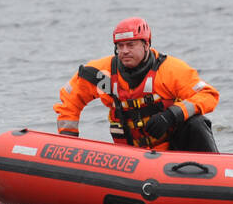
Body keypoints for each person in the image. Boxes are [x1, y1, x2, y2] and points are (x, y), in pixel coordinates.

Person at [54, 17, 219, 152]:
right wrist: (68, 141)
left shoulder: (170, 70)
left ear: (146, 45)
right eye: (120, 46)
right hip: (130, 158)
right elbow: (70, 100)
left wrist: (171, 115)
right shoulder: (102, 74)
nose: (124, 51)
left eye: (131, 45)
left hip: (172, 151)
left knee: (196, 123)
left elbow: (208, 95)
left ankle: (214, 174)